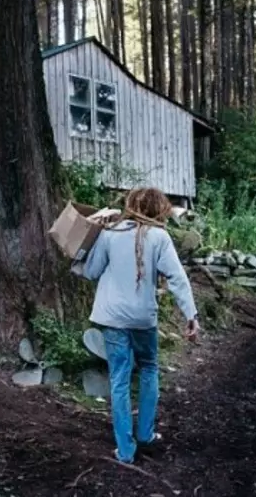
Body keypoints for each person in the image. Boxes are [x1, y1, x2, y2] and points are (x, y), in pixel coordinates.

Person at [79, 187, 200, 464]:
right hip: (143, 318)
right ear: (159, 208)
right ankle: (145, 434)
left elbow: (90, 272)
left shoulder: (110, 233)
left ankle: (125, 451)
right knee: (149, 369)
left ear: (131, 204)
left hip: (113, 318)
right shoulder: (160, 236)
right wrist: (191, 315)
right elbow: (177, 278)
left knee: (119, 380)